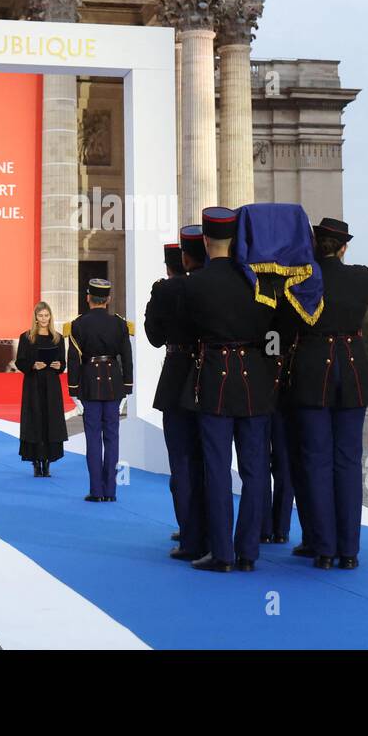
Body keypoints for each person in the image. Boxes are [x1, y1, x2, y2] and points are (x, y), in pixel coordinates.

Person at [178, 207, 279, 573]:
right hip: (254, 376)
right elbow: (272, 325)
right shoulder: (262, 283)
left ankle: (221, 553)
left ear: (205, 241)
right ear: (235, 240)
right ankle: (249, 551)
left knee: (217, 469)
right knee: (256, 470)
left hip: (215, 377)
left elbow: (187, 332)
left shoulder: (194, 284)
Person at [279, 217, 368, 570]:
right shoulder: (363, 277)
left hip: (312, 372)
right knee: (348, 461)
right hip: (351, 372)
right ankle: (349, 550)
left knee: (316, 461)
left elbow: (286, 328)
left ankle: (323, 546)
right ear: (345, 247)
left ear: (316, 246)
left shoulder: (301, 281)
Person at [143, 230, 206, 559]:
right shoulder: (211, 286)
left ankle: (190, 533)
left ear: (182, 258)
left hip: (178, 373)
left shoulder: (167, 290)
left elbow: (154, 337)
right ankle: (213, 533)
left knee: (181, 462)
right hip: (212, 375)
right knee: (210, 460)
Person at [67, 278, 133, 502]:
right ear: (108, 299)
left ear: (88, 298)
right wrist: (127, 388)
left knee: (93, 439)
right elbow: (126, 357)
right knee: (112, 438)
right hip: (114, 384)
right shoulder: (119, 323)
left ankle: (96, 491)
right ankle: (111, 491)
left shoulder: (78, 324)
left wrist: (73, 390)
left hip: (90, 384)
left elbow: (74, 360)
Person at [15, 301, 67, 477]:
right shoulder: (27, 337)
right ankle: (36, 462)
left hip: (52, 385)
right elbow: (19, 361)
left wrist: (58, 365)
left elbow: (63, 364)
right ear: (35, 318)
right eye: (40, 315)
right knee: (35, 420)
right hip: (33, 384)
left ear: (50, 316)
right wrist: (32, 365)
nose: (44, 319)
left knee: (50, 421)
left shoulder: (58, 338)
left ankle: (47, 462)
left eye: (46, 315)